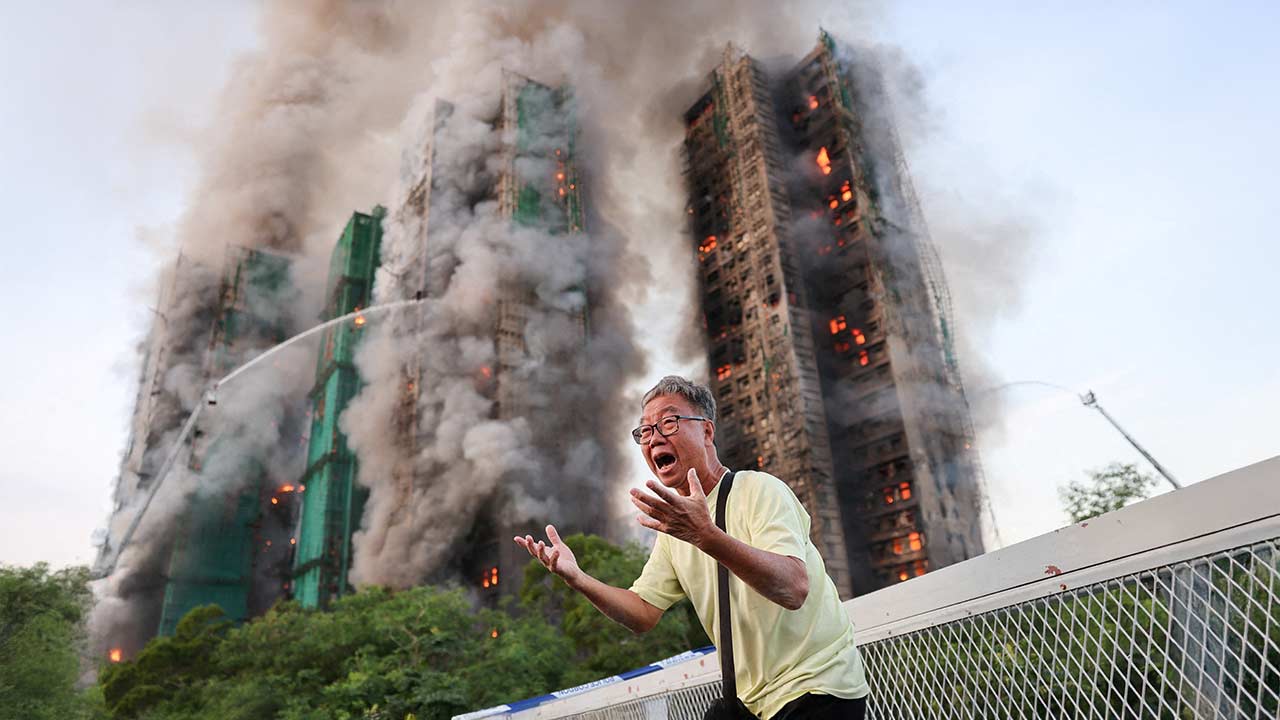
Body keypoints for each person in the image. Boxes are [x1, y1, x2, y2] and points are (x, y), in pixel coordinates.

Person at [515, 375, 870, 719]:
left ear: (707, 431)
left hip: (817, 688)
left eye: (669, 422)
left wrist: (705, 535)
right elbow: (642, 613)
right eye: (646, 430)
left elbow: (793, 588)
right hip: (750, 703)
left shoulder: (759, 490)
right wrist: (578, 578)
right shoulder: (674, 530)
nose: (654, 438)